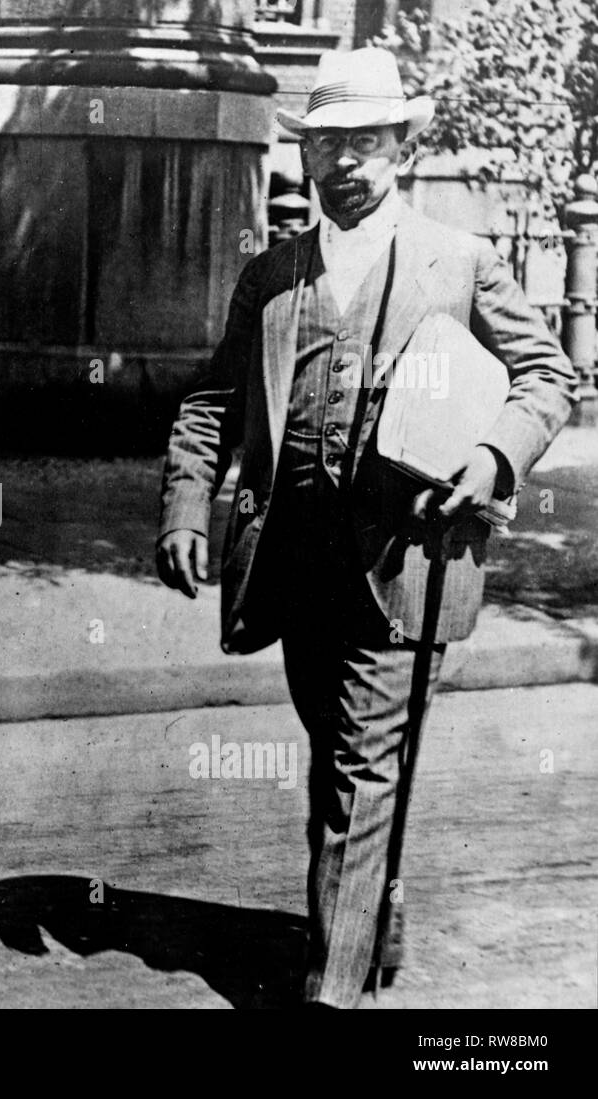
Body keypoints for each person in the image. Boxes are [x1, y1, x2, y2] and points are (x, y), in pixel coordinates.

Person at [155, 48, 576, 1008]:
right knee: (344, 755)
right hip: (294, 565)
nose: (345, 162)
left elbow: (549, 374)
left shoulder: (460, 261)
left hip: (411, 563)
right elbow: (212, 401)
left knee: (359, 769)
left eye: (367, 143)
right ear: (308, 154)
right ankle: (375, 918)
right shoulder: (271, 276)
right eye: (328, 142)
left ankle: (331, 989)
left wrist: (494, 458)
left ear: (403, 148)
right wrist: (187, 502)